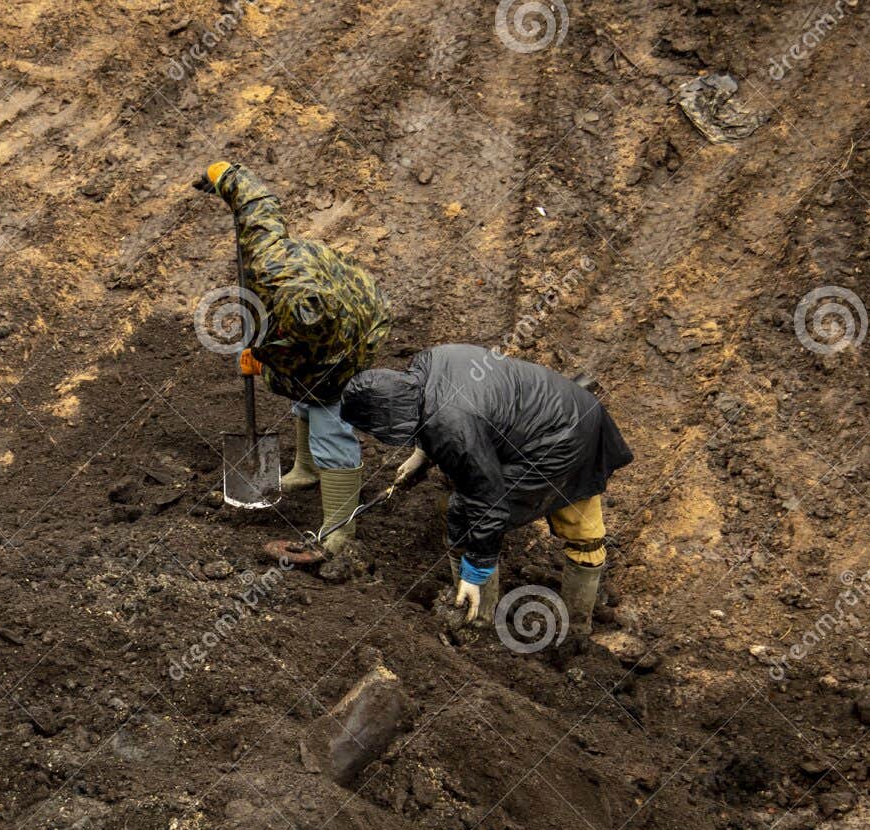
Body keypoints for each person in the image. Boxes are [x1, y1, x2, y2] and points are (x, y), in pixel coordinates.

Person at [339, 344, 633, 643]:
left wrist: (474, 572)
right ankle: (575, 632)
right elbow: (445, 407)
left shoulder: (452, 429)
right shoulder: (430, 361)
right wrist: (422, 453)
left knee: (465, 514)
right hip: (574, 410)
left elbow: (487, 503)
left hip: (557, 443)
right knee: (584, 529)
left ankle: (479, 623)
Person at [194, 162, 392, 556]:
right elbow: (259, 204)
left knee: (327, 418)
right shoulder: (270, 260)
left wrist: (265, 369)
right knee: (307, 399)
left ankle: (339, 528)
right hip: (339, 294)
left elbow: (308, 382)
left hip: (363, 326)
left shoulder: (329, 346)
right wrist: (226, 176)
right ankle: (308, 468)